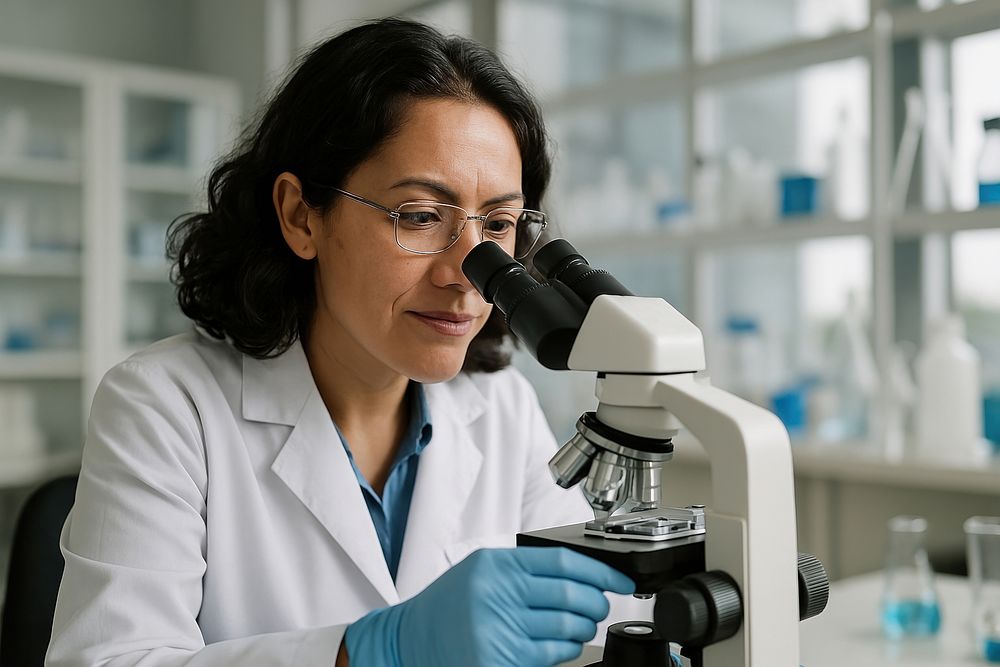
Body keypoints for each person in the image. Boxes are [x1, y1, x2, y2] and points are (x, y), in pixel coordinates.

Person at [46, 17, 652, 667]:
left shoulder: (502, 408)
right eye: (419, 215)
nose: (464, 275)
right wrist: (368, 650)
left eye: (498, 224)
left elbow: (609, 622)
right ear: (301, 215)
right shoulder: (166, 407)